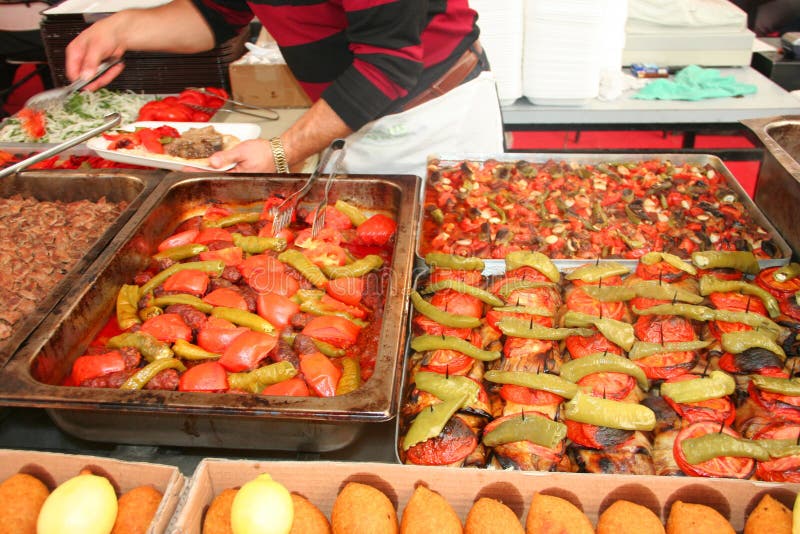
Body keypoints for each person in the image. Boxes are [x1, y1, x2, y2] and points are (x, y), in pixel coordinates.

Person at [65, 0, 504, 178]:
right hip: (351, 112)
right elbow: (217, 15)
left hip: (428, 119)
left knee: (440, 275)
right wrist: (122, 28)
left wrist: (282, 151)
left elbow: (387, 65)